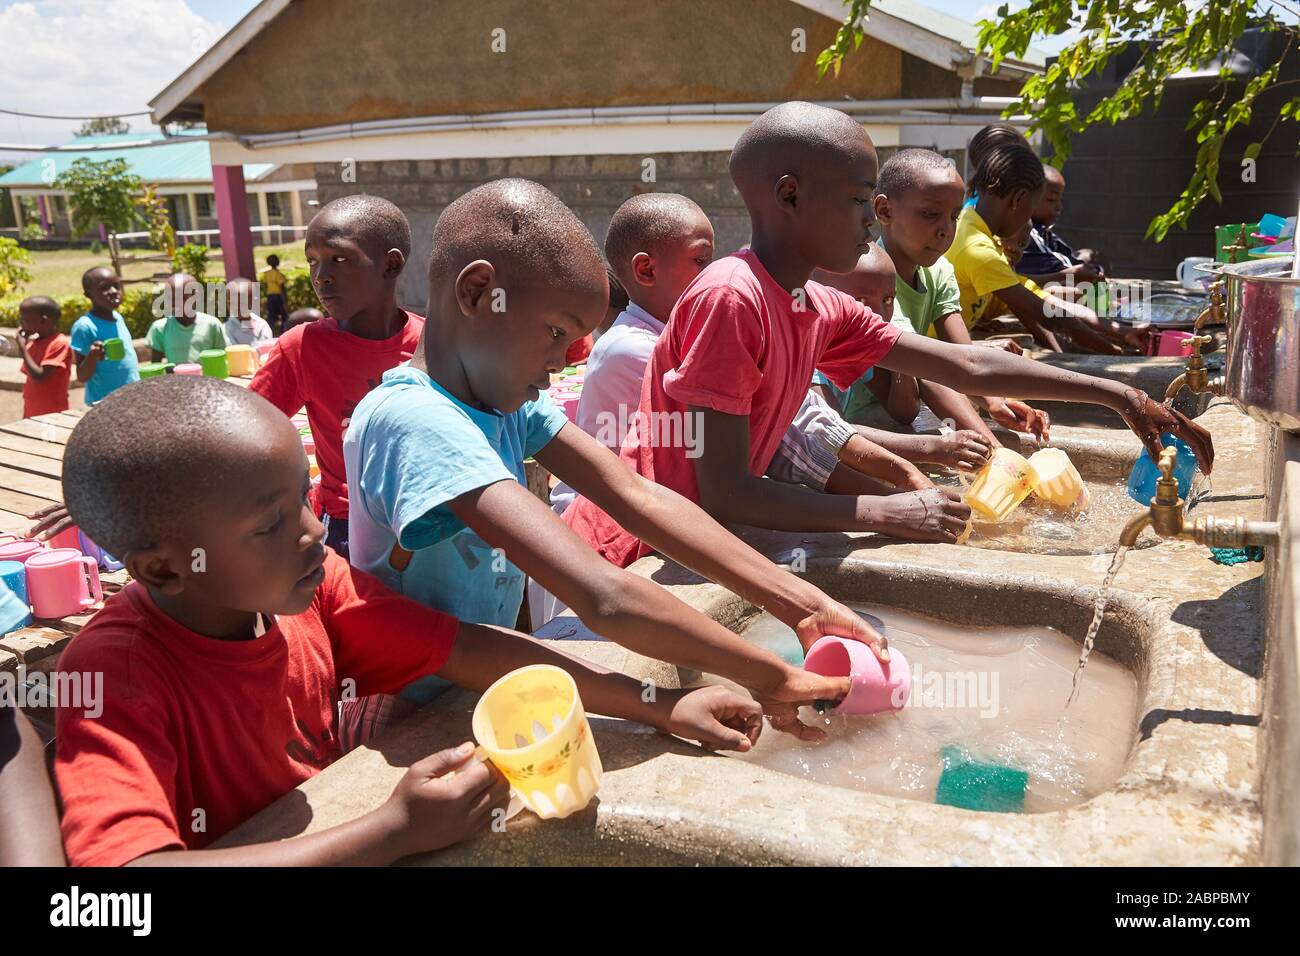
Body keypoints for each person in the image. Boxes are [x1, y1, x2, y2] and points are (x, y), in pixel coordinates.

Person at [52, 376, 764, 866]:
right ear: (167, 571)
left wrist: (661, 705)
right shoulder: (116, 671)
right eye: (271, 523)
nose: (310, 532)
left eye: (304, 497)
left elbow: (471, 652)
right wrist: (389, 831)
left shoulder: (312, 588)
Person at [563, 102, 1212, 569]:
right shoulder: (732, 300)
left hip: (699, 534)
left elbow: (966, 367)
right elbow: (726, 487)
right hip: (634, 550)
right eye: (857, 198)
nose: (870, 218)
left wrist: (1117, 398)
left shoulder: (814, 303)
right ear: (789, 197)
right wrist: (887, 512)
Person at [344, 178, 876, 740]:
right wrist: (768, 673)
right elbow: (603, 594)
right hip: (407, 718)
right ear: (477, 291)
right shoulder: (412, 420)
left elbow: (638, 497)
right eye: (553, 334)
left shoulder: (506, 406)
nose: (556, 366)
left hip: (490, 691)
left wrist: (804, 602)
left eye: (571, 343)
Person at [251, 195, 425, 559]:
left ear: (390, 265)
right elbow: (244, 430)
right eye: (312, 261)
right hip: (347, 528)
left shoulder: (431, 345)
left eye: (339, 258)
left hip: (427, 522)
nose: (321, 276)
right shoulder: (302, 348)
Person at [865, 148, 1049, 441]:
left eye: (953, 216)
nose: (945, 230)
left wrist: (994, 402)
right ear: (885, 211)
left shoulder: (939, 272)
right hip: (859, 418)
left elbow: (966, 359)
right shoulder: (869, 282)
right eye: (930, 214)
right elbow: (925, 368)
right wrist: (994, 449)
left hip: (903, 409)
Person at [948, 142, 1142, 355]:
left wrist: (1121, 332)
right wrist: (1113, 353)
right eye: (1031, 208)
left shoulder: (976, 229)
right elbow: (1047, 315)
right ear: (1018, 199)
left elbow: (1048, 303)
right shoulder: (979, 249)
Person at [69, 267, 139, 403]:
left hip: (131, 396)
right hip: (104, 402)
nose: (113, 292)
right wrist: (92, 356)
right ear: (88, 295)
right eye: (104, 288)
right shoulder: (85, 327)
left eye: (117, 286)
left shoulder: (117, 317)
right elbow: (82, 376)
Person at [147, 273, 227, 365]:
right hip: (175, 379)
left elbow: (223, 360)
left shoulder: (212, 325)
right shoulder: (160, 328)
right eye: (169, 298)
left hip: (208, 378)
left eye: (180, 298)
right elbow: (156, 367)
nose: (173, 303)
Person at [15, 295, 72, 418]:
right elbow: (29, 371)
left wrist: (22, 347)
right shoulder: (34, 344)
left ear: (43, 321)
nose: (21, 322)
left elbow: (40, 376)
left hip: (52, 413)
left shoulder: (59, 343)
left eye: (24, 319)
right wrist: (25, 346)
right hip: (32, 409)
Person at [222, 277, 276, 347]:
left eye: (242, 303)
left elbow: (268, 349)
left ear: (253, 302)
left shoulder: (262, 325)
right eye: (232, 303)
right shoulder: (226, 329)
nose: (236, 307)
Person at [262, 253, 289, 333]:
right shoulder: (279, 275)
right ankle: (283, 331)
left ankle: (269, 332)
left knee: (272, 317)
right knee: (284, 316)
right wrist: (285, 301)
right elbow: (282, 289)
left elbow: (266, 286)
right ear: (277, 262)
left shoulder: (266, 274)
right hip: (278, 297)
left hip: (270, 297)